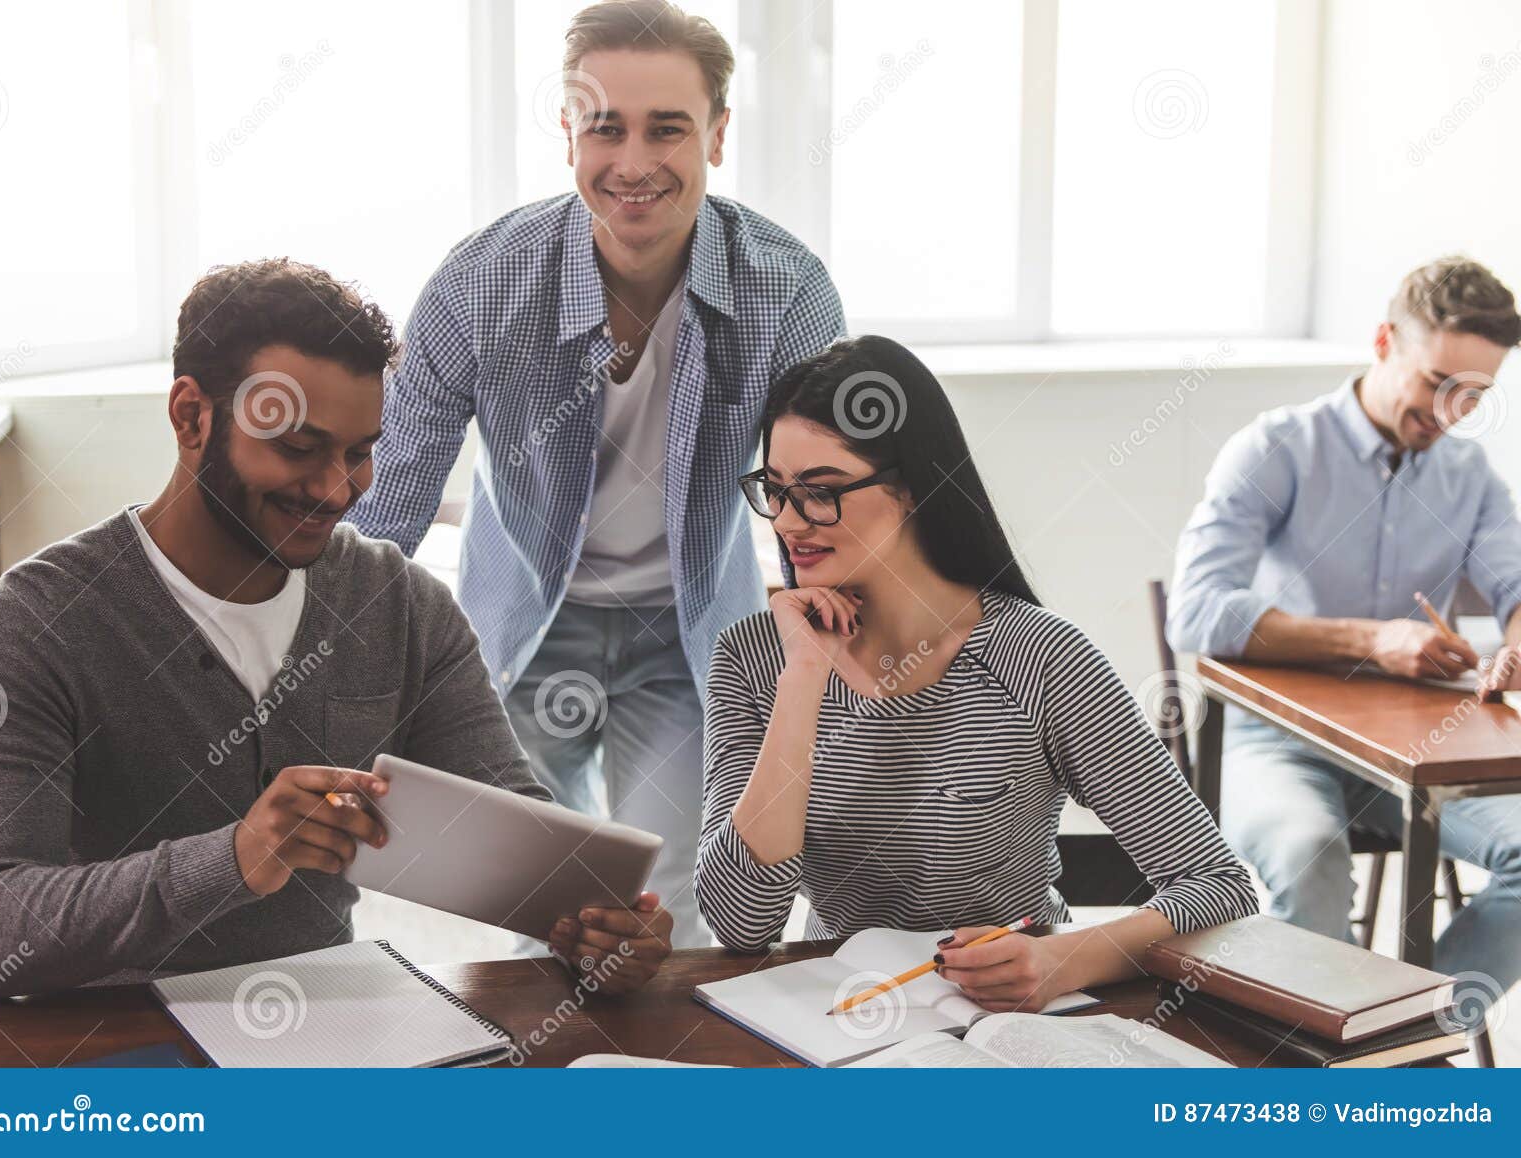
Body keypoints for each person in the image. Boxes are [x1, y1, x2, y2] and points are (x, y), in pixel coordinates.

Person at [0, 259, 672, 997]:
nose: (335, 489)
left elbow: (521, 843)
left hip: (323, 1032)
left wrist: (593, 924)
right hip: (112, 1056)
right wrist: (235, 858)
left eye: (359, 452)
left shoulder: (399, 605)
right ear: (192, 417)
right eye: (298, 449)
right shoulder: (31, 629)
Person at [346, 1, 844, 948]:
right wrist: (335, 673)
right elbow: (390, 502)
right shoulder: (481, 282)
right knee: (535, 910)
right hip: (524, 625)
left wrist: (828, 682)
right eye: (605, 127)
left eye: (669, 128)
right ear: (568, 131)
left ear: (719, 135)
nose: (633, 162)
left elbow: (818, 501)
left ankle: (659, 1092)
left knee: (673, 908)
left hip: (689, 631)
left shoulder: (787, 288)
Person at [694, 335, 1255, 1008]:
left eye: (820, 492)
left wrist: (1059, 961)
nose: (787, 522)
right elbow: (740, 922)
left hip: (1013, 1022)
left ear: (908, 490)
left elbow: (1218, 887)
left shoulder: (1041, 657)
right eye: (775, 491)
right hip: (842, 1015)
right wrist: (804, 681)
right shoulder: (757, 659)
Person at [1167, 255, 1521, 992]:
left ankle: (1399, 1040)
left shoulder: (1473, 480)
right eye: (1436, 383)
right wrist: (1371, 640)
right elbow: (1194, 611)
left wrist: (1515, 644)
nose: (1450, 412)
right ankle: (1335, 1068)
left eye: (1473, 396)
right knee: (1306, 856)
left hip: (1415, 749)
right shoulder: (1278, 447)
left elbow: (1515, 589)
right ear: (1385, 341)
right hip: (1275, 741)